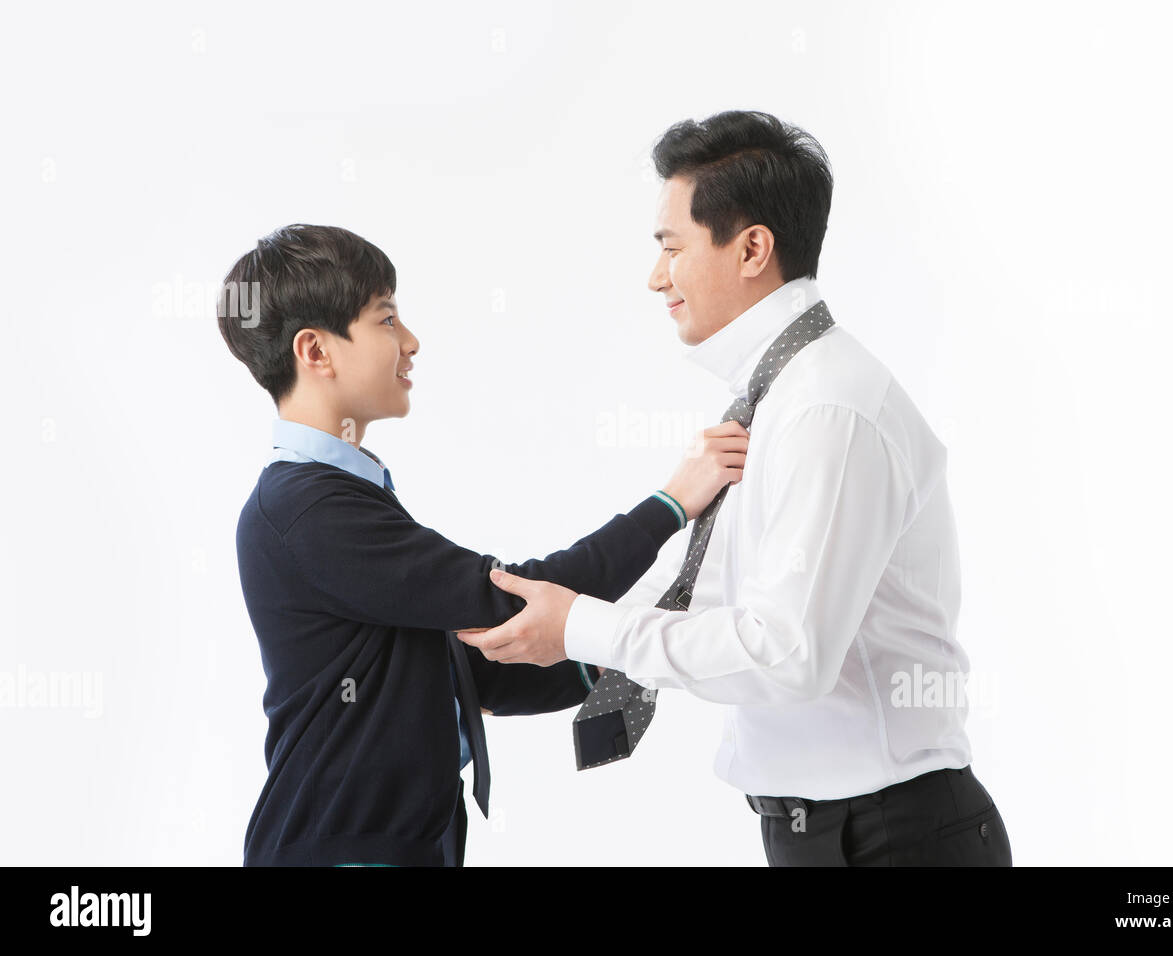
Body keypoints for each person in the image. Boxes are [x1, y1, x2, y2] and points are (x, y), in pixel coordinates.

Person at [458, 110, 1012, 866]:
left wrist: (580, 627)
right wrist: (524, 658)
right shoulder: (773, 401)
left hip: (891, 838)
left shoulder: (826, 407)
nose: (656, 277)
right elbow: (705, 600)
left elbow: (786, 654)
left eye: (670, 247)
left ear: (752, 247)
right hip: (822, 832)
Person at [217, 223, 747, 865]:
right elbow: (506, 598)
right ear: (316, 351)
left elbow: (461, 666)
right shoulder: (308, 508)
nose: (411, 342)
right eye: (386, 320)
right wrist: (670, 504)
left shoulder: (335, 495)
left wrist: (601, 655)